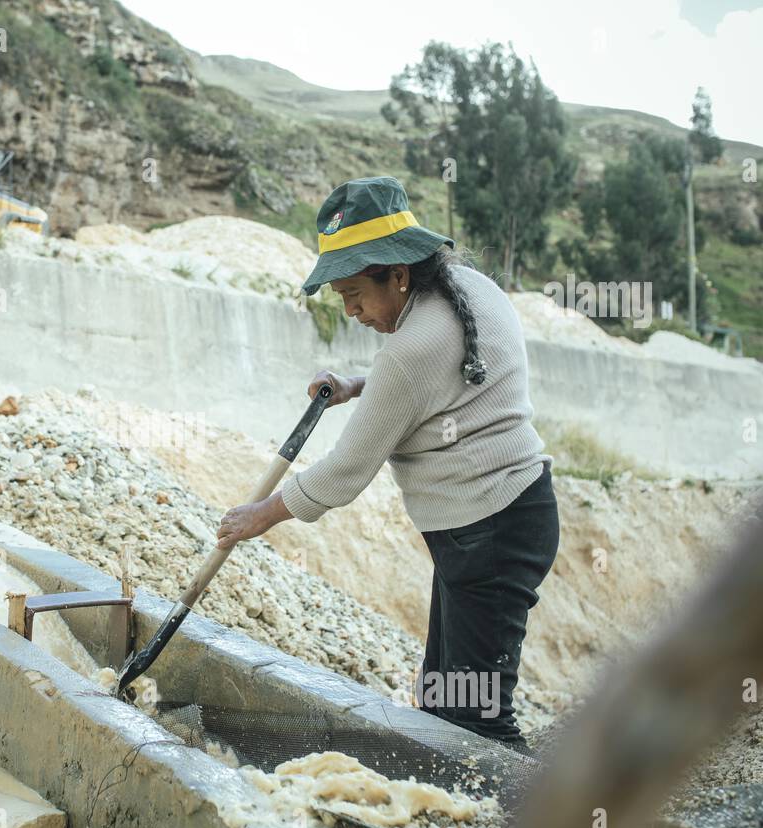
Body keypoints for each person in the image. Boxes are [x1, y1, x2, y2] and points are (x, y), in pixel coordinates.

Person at [214, 176, 558, 752]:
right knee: (447, 703)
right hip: (504, 517)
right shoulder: (470, 289)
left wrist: (261, 515)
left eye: (353, 294)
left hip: (488, 534)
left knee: (477, 722)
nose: (350, 311)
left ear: (398, 274)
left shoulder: (411, 348)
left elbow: (347, 469)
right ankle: (463, 820)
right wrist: (357, 385)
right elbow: (441, 381)